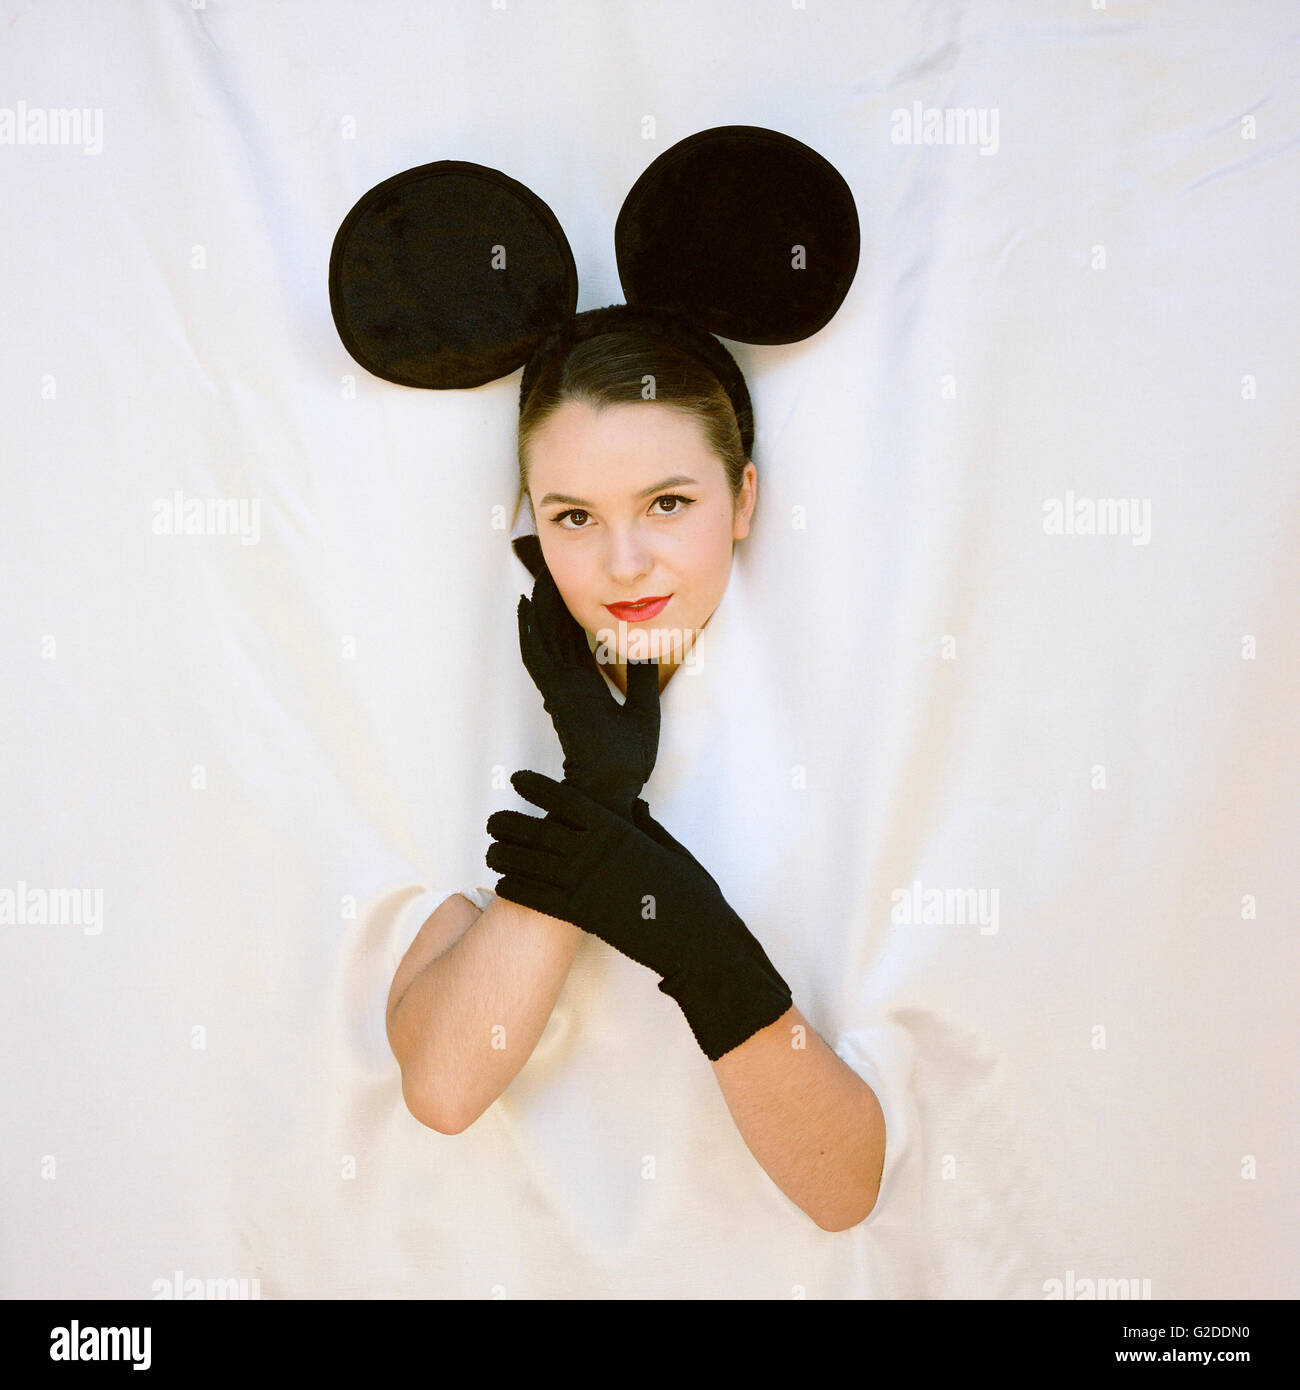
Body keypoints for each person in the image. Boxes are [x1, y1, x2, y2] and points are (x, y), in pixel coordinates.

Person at [385, 316, 889, 1240]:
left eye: (667, 504)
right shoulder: (460, 712)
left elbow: (846, 1188)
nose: (624, 566)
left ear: (743, 500)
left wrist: (701, 948)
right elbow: (446, 1087)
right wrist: (598, 792)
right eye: (575, 517)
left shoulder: (859, 733)